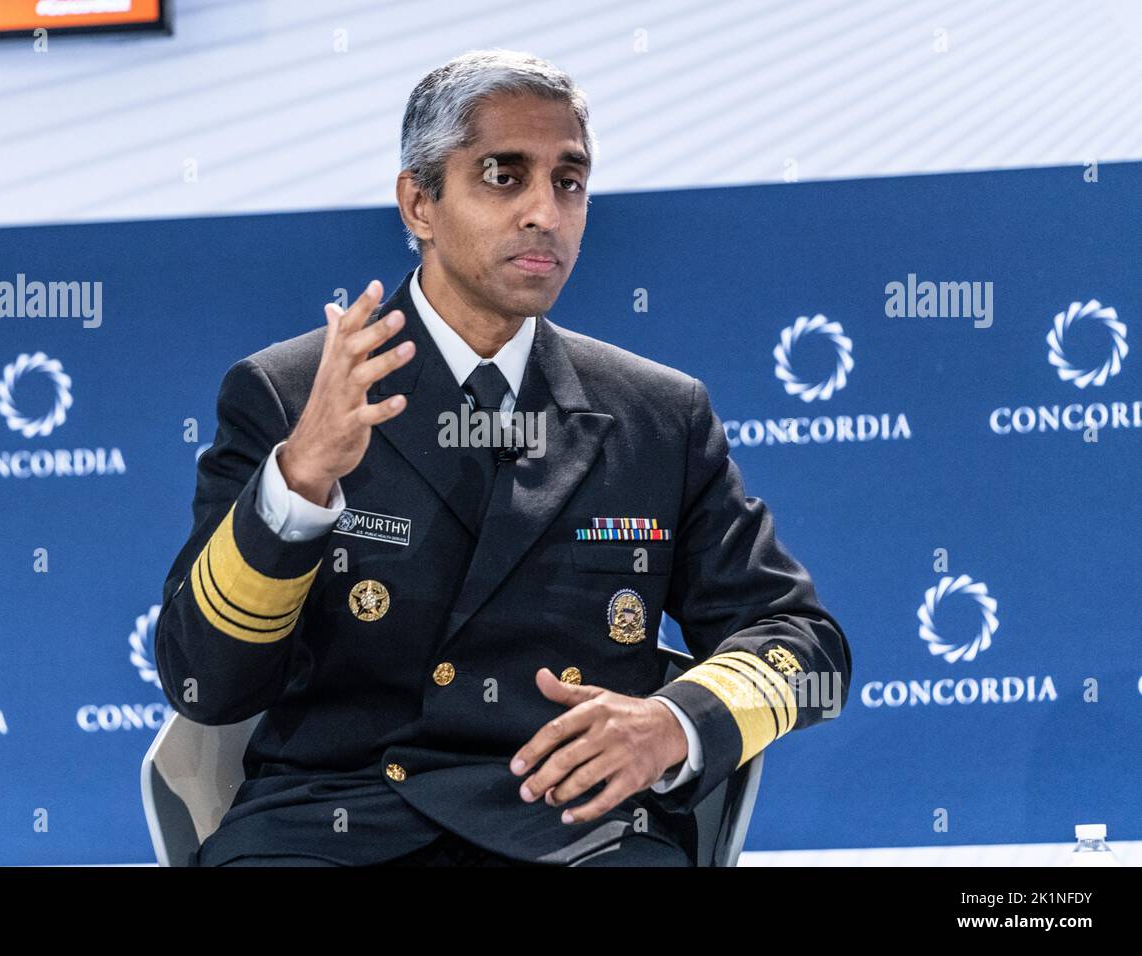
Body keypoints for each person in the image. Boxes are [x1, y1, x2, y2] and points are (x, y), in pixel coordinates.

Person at [155, 49, 852, 867]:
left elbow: (807, 648)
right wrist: (299, 481)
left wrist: (674, 722)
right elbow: (205, 682)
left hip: (576, 832)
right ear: (419, 201)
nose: (544, 213)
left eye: (568, 182)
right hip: (333, 826)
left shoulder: (658, 416)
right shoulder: (288, 393)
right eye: (502, 175)